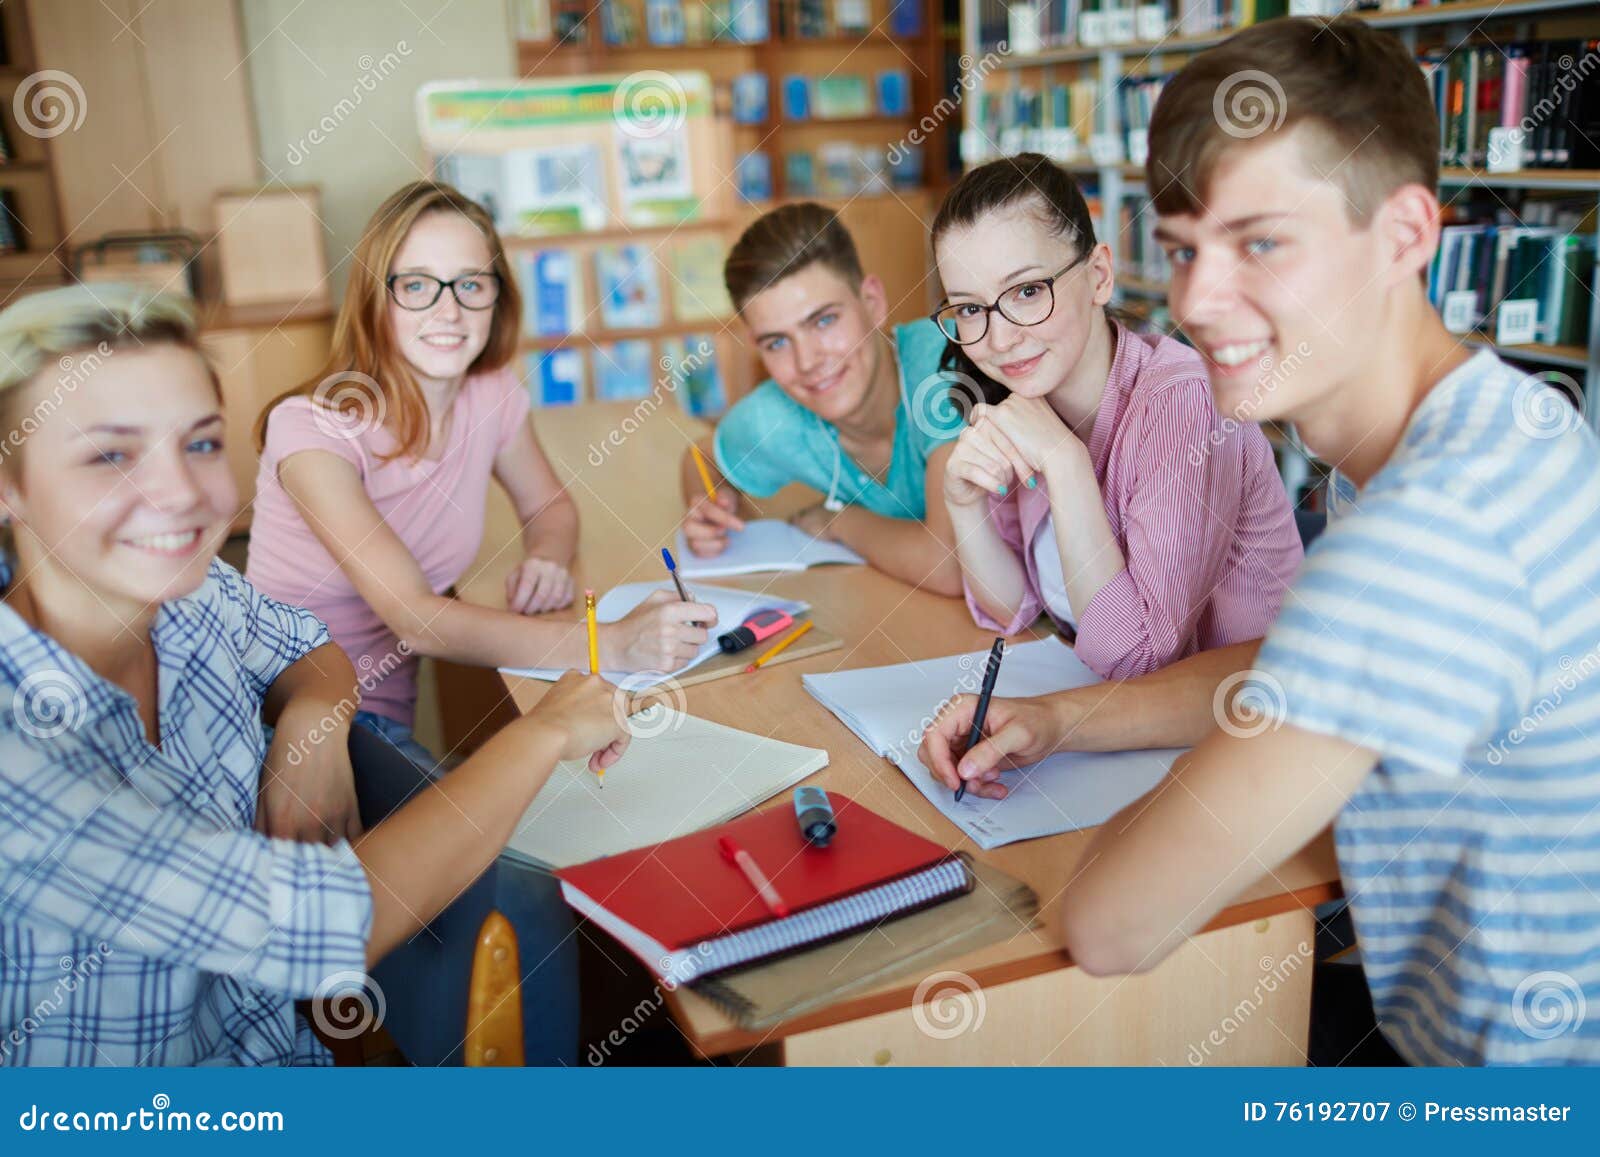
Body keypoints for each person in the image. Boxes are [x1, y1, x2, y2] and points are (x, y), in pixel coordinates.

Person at [922, 17, 1600, 1064]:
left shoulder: (1420, 538)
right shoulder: (1481, 427)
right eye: (1188, 248)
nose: (1194, 299)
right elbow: (1275, 672)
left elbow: (1112, 922)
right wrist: (1060, 719)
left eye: (1263, 242)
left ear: (1408, 236)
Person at [0, 285, 629, 1066]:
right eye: (110, 455)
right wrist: (546, 730)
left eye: (199, 443)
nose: (181, 494)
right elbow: (323, 921)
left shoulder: (194, 599)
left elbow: (309, 646)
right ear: (9, 482)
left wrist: (315, 722)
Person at [249, 181, 713, 771]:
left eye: (470, 284)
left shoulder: (488, 393)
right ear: (376, 298)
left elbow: (551, 508)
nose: (449, 311)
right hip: (286, 729)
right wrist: (614, 643)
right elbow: (415, 619)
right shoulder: (312, 430)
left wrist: (547, 555)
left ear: (497, 299)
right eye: (417, 285)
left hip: (381, 722)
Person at [932, 153, 1302, 678]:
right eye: (970, 308)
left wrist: (1065, 463)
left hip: (1241, 726)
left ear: (1100, 276)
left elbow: (1136, 659)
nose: (999, 338)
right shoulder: (1025, 400)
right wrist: (963, 504)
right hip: (1103, 708)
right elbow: (1013, 608)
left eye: (1029, 291)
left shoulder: (1184, 407)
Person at [679, 202, 962, 593]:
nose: (808, 361)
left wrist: (839, 522)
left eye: (824, 320)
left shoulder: (942, 367)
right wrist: (711, 505)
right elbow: (702, 456)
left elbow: (949, 565)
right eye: (777, 342)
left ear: (873, 303)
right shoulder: (777, 414)